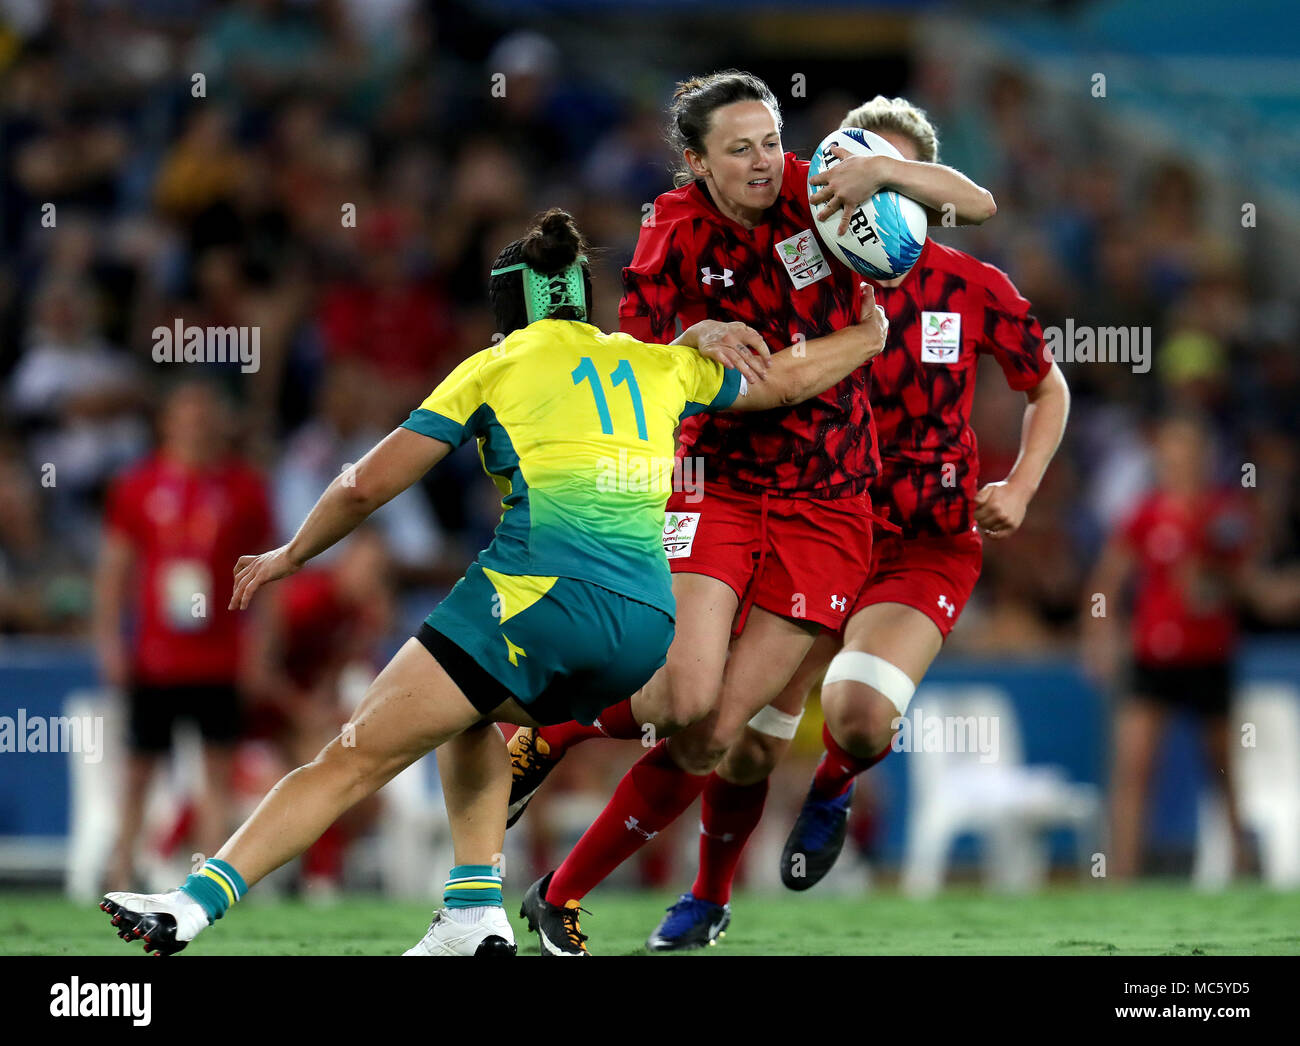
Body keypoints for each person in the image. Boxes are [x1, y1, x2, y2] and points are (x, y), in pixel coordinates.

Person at [100, 207, 887, 956]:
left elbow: (364, 486)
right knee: (468, 714)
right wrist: (866, 333)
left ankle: (190, 904)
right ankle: (474, 908)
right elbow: (784, 380)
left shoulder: (495, 364)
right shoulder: (661, 363)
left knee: (351, 758)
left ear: (506, 310)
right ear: (582, 302)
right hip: (649, 624)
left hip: (534, 599)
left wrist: (292, 553)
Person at [504, 71, 997, 956]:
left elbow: (978, 202)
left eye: (771, 140)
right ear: (696, 162)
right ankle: (550, 731)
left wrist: (888, 177)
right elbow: (642, 352)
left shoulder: (826, 186)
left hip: (833, 502)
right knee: (683, 694)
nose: (767, 163)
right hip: (720, 484)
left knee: (713, 738)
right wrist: (692, 339)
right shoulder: (672, 231)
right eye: (741, 149)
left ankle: (559, 893)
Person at [641, 96, 1072, 950]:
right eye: (857, 166)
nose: (870, 188)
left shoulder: (973, 287)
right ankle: (708, 896)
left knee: (862, 715)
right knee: (744, 744)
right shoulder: (794, 267)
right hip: (809, 523)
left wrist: (1019, 486)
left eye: (894, 173)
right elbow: (693, 340)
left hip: (917, 541)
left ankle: (836, 785)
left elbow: (1047, 387)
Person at [95, 382, 273, 893]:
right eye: (186, 415)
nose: (196, 425)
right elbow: (114, 571)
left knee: (217, 774)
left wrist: (261, 649)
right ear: (167, 422)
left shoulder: (243, 488)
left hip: (219, 658)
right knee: (138, 771)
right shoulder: (137, 485)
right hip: (155, 658)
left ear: (220, 423)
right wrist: (110, 641)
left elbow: (270, 576)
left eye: (205, 415)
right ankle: (119, 869)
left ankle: (209, 881)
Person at [1084, 412, 1254, 880]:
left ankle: (1242, 865)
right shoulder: (1145, 513)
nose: (1179, 461)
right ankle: (1122, 875)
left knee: (1223, 772)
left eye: (1189, 452)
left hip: (1209, 657)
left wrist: (1215, 589)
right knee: (1134, 770)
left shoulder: (1225, 516)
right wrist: (1099, 635)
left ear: (1204, 459)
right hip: (1151, 658)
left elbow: (1243, 585)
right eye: (1172, 451)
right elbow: (1106, 583)